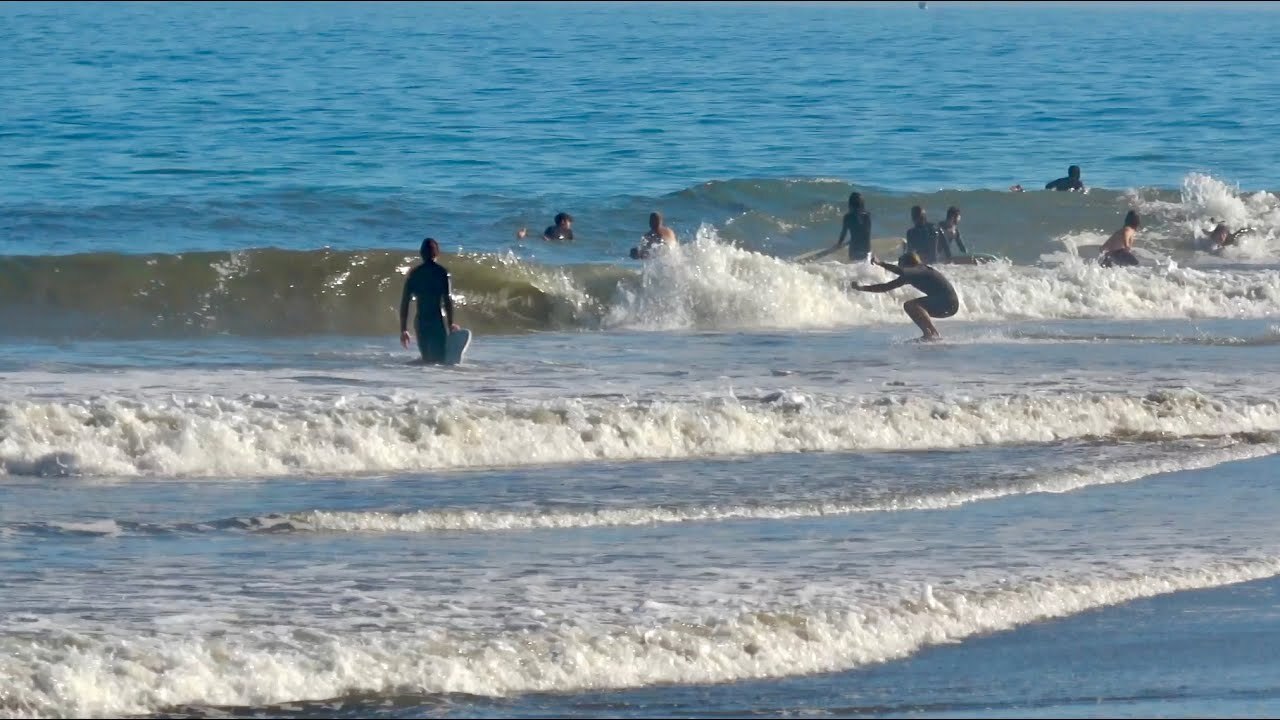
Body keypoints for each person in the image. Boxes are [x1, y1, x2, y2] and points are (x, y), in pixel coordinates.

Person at [851, 251, 959, 340]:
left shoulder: (920, 270)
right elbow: (886, 286)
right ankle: (929, 334)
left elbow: (896, 274)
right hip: (948, 305)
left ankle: (932, 333)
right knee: (910, 305)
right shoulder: (916, 274)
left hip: (947, 303)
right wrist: (863, 287)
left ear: (908, 264)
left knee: (911, 305)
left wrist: (880, 264)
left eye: (900, 263)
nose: (899, 266)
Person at [399, 237, 459, 364]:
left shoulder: (414, 274)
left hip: (421, 323)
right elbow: (447, 299)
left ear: (421, 254)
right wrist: (450, 323)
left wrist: (403, 329)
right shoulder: (442, 273)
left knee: (427, 361)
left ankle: (423, 381)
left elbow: (405, 302)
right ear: (437, 253)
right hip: (437, 322)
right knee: (440, 360)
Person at [833, 191, 872, 261]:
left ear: (850, 205)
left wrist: (839, 244)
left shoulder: (848, 217)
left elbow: (843, 233)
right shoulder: (867, 216)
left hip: (854, 250)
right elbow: (866, 233)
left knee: (854, 266)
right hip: (866, 250)